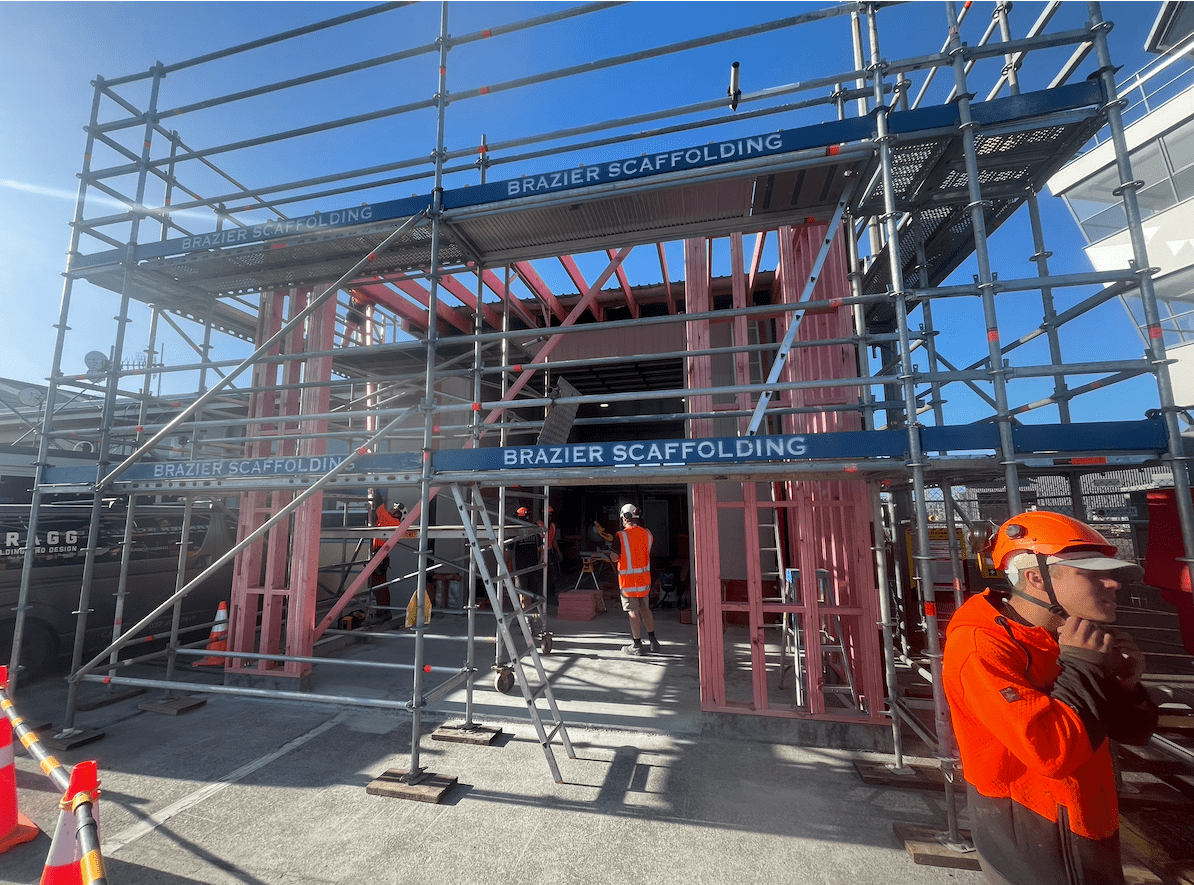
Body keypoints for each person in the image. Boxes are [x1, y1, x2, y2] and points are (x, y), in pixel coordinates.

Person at [943, 511, 1158, 885]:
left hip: (1087, 819)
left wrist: (1125, 687)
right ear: (1035, 579)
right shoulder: (983, 648)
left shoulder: (1063, 637)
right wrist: (1083, 667)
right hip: (1037, 827)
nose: (1113, 584)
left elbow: (1131, 732)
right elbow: (1051, 752)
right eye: (1091, 574)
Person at [613, 503, 660, 655]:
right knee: (645, 609)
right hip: (643, 581)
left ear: (625, 518)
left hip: (628, 584)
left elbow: (614, 557)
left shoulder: (621, 536)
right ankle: (653, 641)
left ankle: (637, 645)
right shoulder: (647, 534)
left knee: (633, 612)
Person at [367, 489, 405, 614]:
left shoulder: (392, 521)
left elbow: (379, 507)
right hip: (379, 555)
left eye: (394, 509)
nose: (391, 510)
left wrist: (375, 490)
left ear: (398, 514)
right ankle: (383, 611)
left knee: (379, 586)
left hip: (380, 556)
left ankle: (383, 611)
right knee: (378, 585)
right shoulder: (390, 521)